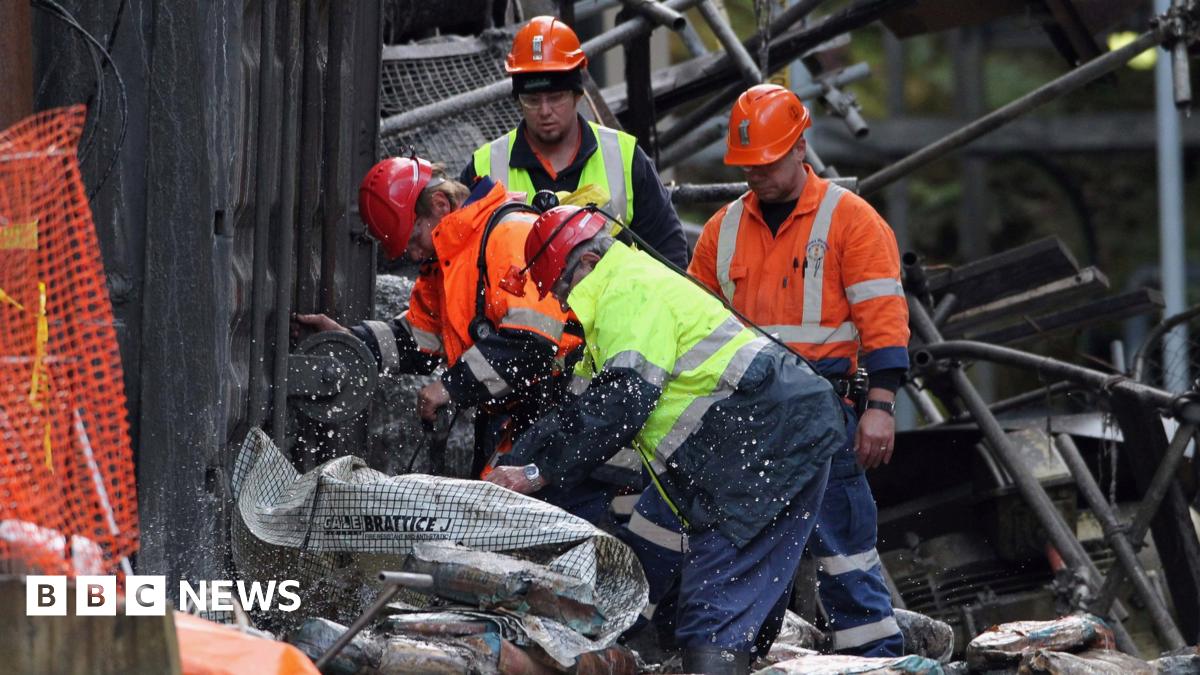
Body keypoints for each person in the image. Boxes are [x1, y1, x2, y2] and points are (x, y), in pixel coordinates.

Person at [485, 205, 847, 674]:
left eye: (563, 287)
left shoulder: (627, 291)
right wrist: (525, 458)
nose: (564, 302)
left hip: (765, 441)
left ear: (589, 264)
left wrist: (534, 472)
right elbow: (584, 409)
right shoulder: (626, 297)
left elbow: (620, 401)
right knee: (735, 615)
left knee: (712, 614)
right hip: (776, 438)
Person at [688, 84, 910, 657]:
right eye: (747, 166)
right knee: (744, 552)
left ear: (799, 147)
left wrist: (880, 407)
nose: (756, 174)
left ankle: (876, 663)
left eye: (766, 161)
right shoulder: (723, 230)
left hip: (823, 416)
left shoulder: (850, 222)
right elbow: (692, 326)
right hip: (746, 422)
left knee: (845, 555)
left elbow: (884, 320)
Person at [295, 156, 580, 482]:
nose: (413, 255)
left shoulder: (511, 234)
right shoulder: (451, 262)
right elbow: (419, 339)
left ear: (441, 204)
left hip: (567, 408)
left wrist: (450, 387)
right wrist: (349, 341)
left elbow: (533, 342)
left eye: (414, 240)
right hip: (524, 415)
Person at [460, 15, 689, 268]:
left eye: (555, 97)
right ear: (518, 99)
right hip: (516, 307)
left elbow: (670, 256)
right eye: (532, 100)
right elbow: (458, 260)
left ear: (577, 94)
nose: (544, 111)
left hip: (609, 305)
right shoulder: (485, 167)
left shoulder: (624, 156)